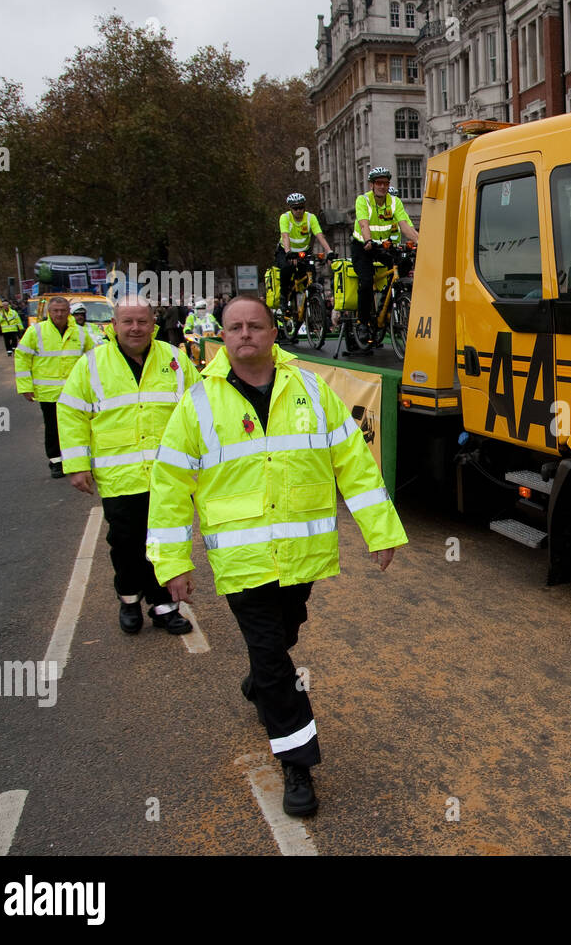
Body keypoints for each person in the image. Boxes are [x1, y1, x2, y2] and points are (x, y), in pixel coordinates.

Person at [147, 296, 408, 817]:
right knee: (273, 658)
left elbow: (352, 462)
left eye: (255, 326)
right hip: (242, 564)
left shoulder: (312, 390)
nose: (244, 334)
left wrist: (380, 531)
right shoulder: (197, 404)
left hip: (301, 558)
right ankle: (297, 764)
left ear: (272, 331)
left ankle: (260, 678)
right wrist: (171, 563)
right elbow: (170, 486)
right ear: (221, 337)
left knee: (283, 638)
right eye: (234, 328)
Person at [58, 297, 200, 634]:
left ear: (153, 323)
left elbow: (202, 409)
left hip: (169, 478)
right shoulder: (92, 364)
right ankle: (129, 599)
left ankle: (164, 606)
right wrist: (77, 465)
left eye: (142, 321)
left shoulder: (176, 360)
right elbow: (71, 412)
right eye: (127, 322)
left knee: (165, 542)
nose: (135, 328)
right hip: (120, 478)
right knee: (125, 544)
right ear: (114, 325)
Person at [15, 296, 97, 478]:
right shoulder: (35, 331)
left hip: (76, 392)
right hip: (48, 393)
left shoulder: (81, 333)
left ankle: (81, 459)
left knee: (80, 426)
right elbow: (22, 358)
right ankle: (55, 461)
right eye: (55, 311)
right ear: (48, 312)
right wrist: (24, 386)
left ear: (69, 312)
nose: (59, 314)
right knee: (53, 428)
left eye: (63, 310)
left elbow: (92, 359)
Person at [352, 167, 418, 341]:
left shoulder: (395, 202)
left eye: (386, 183)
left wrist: (423, 243)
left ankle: (386, 305)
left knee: (403, 264)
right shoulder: (363, 200)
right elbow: (364, 224)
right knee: (366, 282)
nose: (382, 186)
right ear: (372, 185)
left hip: (383, 246)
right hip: (363, 245)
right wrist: (368, 241)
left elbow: (405, 226)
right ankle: (362, 322)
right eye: (379, 183)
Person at [277, 192, 332, 308]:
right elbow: (285, 236)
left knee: (311, 273)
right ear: (290, 208)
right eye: (295, 208)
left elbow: (319, 235)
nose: (298, 211)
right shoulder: (285, 218)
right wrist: (288, 253)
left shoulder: (310, 218)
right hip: (286, 251)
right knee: (287, 269)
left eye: (301, 207)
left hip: (304, 252)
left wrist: (329, 251)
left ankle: (312, 303)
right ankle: (284, 296)